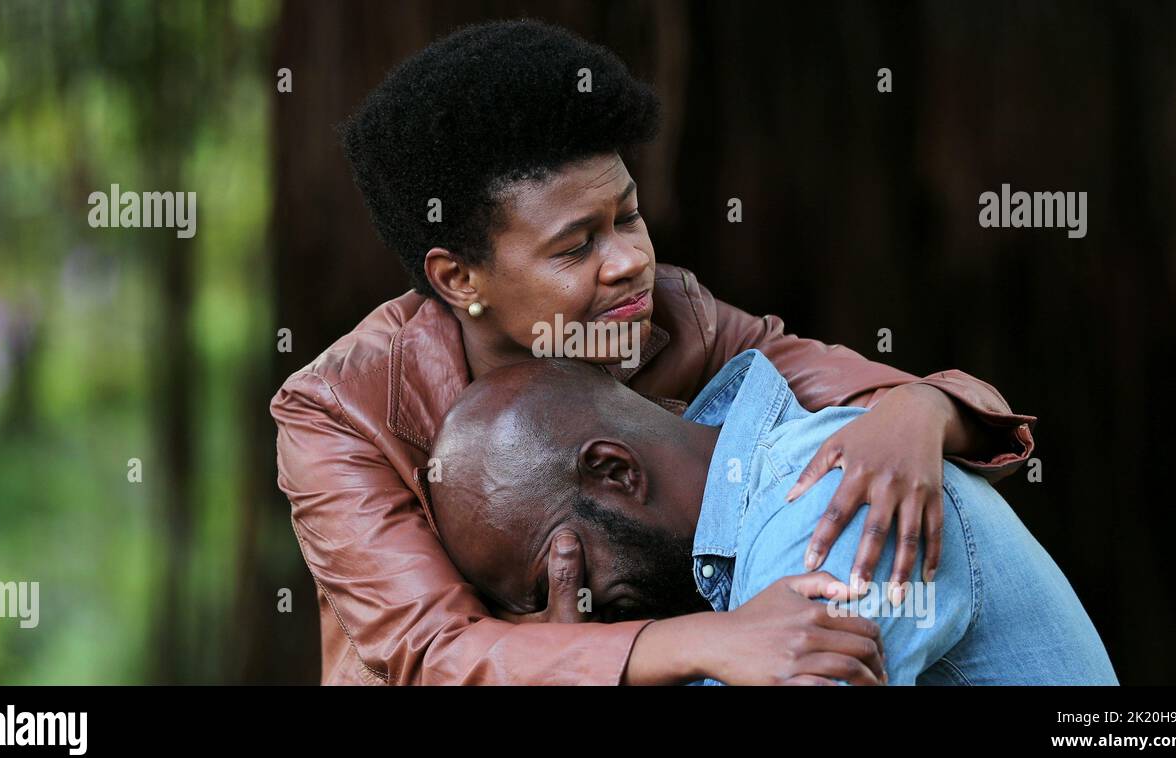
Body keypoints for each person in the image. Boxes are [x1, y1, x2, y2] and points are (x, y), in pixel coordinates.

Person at [271, 19, 1037, 685]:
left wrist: (923, 408)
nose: (629, 259)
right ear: (458, 277)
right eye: (576, 246)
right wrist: (699, 642)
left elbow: (877, 390)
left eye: (628, 215)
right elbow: (429, 650)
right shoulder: (342, 410)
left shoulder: (674, 315)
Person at [428, 353, 1118, 685]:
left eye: (551, 571)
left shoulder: (824, 506)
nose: (562, 617)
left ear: (617, 473)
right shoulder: (740, 573)